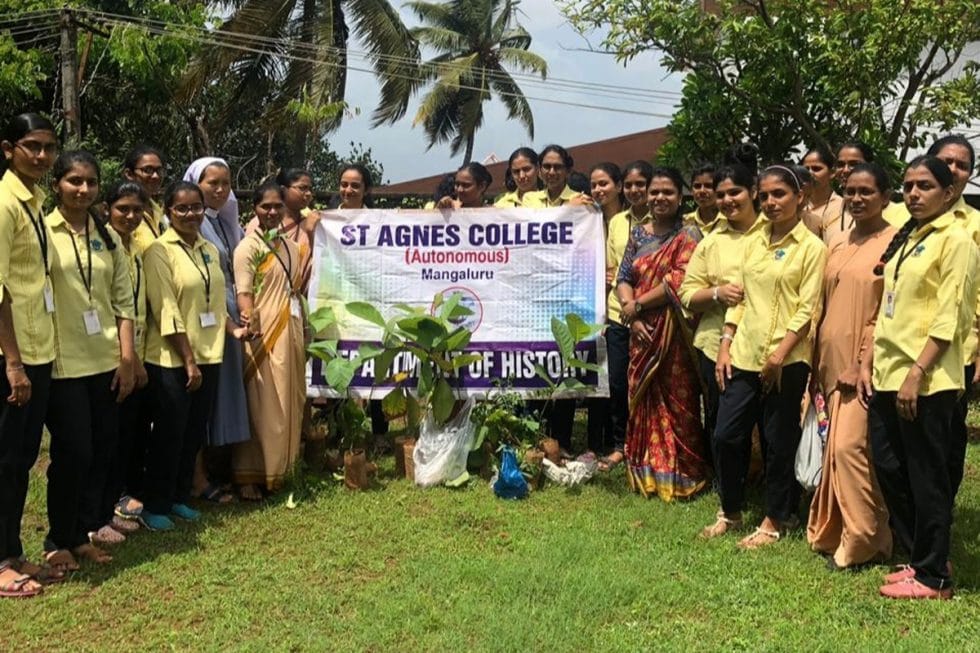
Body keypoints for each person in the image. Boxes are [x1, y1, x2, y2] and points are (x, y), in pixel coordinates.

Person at [868, 156, 977, 600]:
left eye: (925, 186)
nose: (913, 193)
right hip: (888, 371)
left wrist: (918, 372)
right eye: (909, 185)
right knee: (890, 465)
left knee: (927, 475)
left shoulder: (957, 239)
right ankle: (921, 557)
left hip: (928, 378)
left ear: (948, 193)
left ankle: (934, 577)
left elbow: (950, 316)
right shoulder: (911, 235)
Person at [704, 164, 827, 548]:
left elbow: (808, 309)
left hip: (787, 361)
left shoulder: (812, 248)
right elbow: (740, 299)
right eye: (766, 195)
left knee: (778, 440)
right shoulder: (754, 242)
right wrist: (725, 343)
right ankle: (731, 510)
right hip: (744, 353)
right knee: (726, 434)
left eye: (780, 194)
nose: (771, 202)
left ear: (799, 197)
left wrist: (778, 356)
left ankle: (775, 517)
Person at [43, 151, 136, 566]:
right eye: (74, 181)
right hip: (63, 361)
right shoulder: (44, 231)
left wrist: (127, 357)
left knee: (101, 449)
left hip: (105, 360)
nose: (83, 189)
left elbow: (123, 301)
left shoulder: (106, 237)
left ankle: (82, 535)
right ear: (57, 185)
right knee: (74, 451)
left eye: (91, 182)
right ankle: (58, 540)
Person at [141, 181, 245, 530]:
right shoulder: (159, 250)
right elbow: (166, 309)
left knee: (192, 432)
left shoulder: (208, 249)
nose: (190, 214)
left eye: (196, 207)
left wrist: (234, 330)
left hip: (208, 355)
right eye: (182, 208)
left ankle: (178, 496)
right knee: (169, 433)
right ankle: (155, 504)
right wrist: (188, 360)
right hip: (172, 359)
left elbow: (215, 302)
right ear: (169, 211)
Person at [806, 163, 895, 570]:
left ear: (885, 197)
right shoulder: (839, 241)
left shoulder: (894, 243)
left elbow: (885, 311)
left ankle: (866, 539)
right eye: (851, 191)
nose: (856, 198)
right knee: (835, 446)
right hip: (829, 360)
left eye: (866, 192)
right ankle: (838, 527)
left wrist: (862, 362)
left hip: (863, 365)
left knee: (850, 447)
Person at [616, 167, 708, 501]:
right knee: (644, 400)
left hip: (674, 332)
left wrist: (637, 306)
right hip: (640, 331)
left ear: (681, 197)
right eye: (654, 191)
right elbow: (623, 277)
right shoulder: (638, 235)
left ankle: (685, 472)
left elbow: (678, 281)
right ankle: (646, 469)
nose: (659, 198)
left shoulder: (689, 235)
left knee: (679, 402)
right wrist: (631, 314)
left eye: (668, 192)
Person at [0, 113, 61, 597]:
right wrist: (13, 363)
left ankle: (12, 550)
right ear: (9, 149)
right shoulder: (4, 204)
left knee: (20, 460)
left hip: (38, 350)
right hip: (12, 355)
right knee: (4, 460)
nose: (41, 156)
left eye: (48, 147)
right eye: (32, 146)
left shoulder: (34, 202)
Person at [679, 159, 762, 473]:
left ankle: (766, 483)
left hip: (766, 343)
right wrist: (717, 293)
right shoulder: (711, 242)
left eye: (735, 192)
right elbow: (687, 294)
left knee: (768, 423)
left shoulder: (774, 233)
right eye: (721, 194)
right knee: (722, 421)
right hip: (716, 345)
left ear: (753, 191)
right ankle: (726, 481)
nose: (728, 200)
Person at [232, 182, 306, 497]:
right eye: (266, 206)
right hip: (263, 335)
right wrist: (250, 321)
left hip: (291, 331)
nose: (272, 212)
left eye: (278, 206)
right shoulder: (248, 247)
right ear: (255, 209)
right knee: (262, 406)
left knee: (290, 401)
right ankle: (251, 476)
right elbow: (244, 292)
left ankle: (284, 470)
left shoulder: (290, 247)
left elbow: (295, 290)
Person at [183, 158, 249, 503]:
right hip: (205, 319)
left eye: (226, 183)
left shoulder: (225, 222)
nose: (221, 190)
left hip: (229, 317)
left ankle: (212, 471)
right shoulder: (191, 223)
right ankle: (196, 478)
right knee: (200, 399)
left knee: (220, 395)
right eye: (213, 183)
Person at [925, 134, 980, 507]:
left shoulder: (974, 224)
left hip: (957, 348)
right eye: (947, 161)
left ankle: (939, 514)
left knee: (945, 436)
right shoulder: (902, 218)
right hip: (903, 344)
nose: (954, 170)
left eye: (963, 165)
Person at [594, 161, 653, 472]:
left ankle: (649, 445)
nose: (634, 190)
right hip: (619, 314)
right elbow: (612, 269)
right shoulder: (617, 222)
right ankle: (621, 445)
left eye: (640, 184)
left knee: (649, 383)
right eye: (629, 185)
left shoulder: (662, 221)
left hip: (652, 315)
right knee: (618, 383)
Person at [101, 180, 153, 531]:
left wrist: (138, 357)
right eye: (123, 209)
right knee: (107, 436)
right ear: (107, 209)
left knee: (127, 434)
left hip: (136, 351)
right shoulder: (102, 243)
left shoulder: (134, 246)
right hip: (110, 355)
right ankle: (102, 510)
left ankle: (117, 502)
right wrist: (128, 358)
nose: (131, 216)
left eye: (137, 210)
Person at [582, 162, 625, 467]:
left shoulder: (629, 222)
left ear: (618, 186)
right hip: (591, 307)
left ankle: (620, 441)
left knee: (619, 380)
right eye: (594, 184)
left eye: (604, 183)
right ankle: (595, 442)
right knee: (596, 376)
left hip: (622, 310)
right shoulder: (585, 217)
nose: (598, 190)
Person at [122, 145, 168, 253]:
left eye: (159, 170)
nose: (155, 176)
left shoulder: (157, 210)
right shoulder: (123, 213)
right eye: (148, 170)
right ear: (129, 174)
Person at [522, 145, 591, 208]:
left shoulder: (581, 199)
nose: (551, 172)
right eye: (547, 166)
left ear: (568, 171)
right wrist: (569, 208)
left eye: (558, 167)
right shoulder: (530, 199)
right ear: (540, 170)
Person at [800, 146, 844, 243]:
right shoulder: (796, 204)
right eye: (806, 169)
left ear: (832, 173)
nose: (810, 173)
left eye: (816, 169)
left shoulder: (841, 206)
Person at [684, 163, 720, 233]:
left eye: (708, 186)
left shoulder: (731, 221)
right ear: (691, 190)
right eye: (697, 186)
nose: (702, 191)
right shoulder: (684, 222)